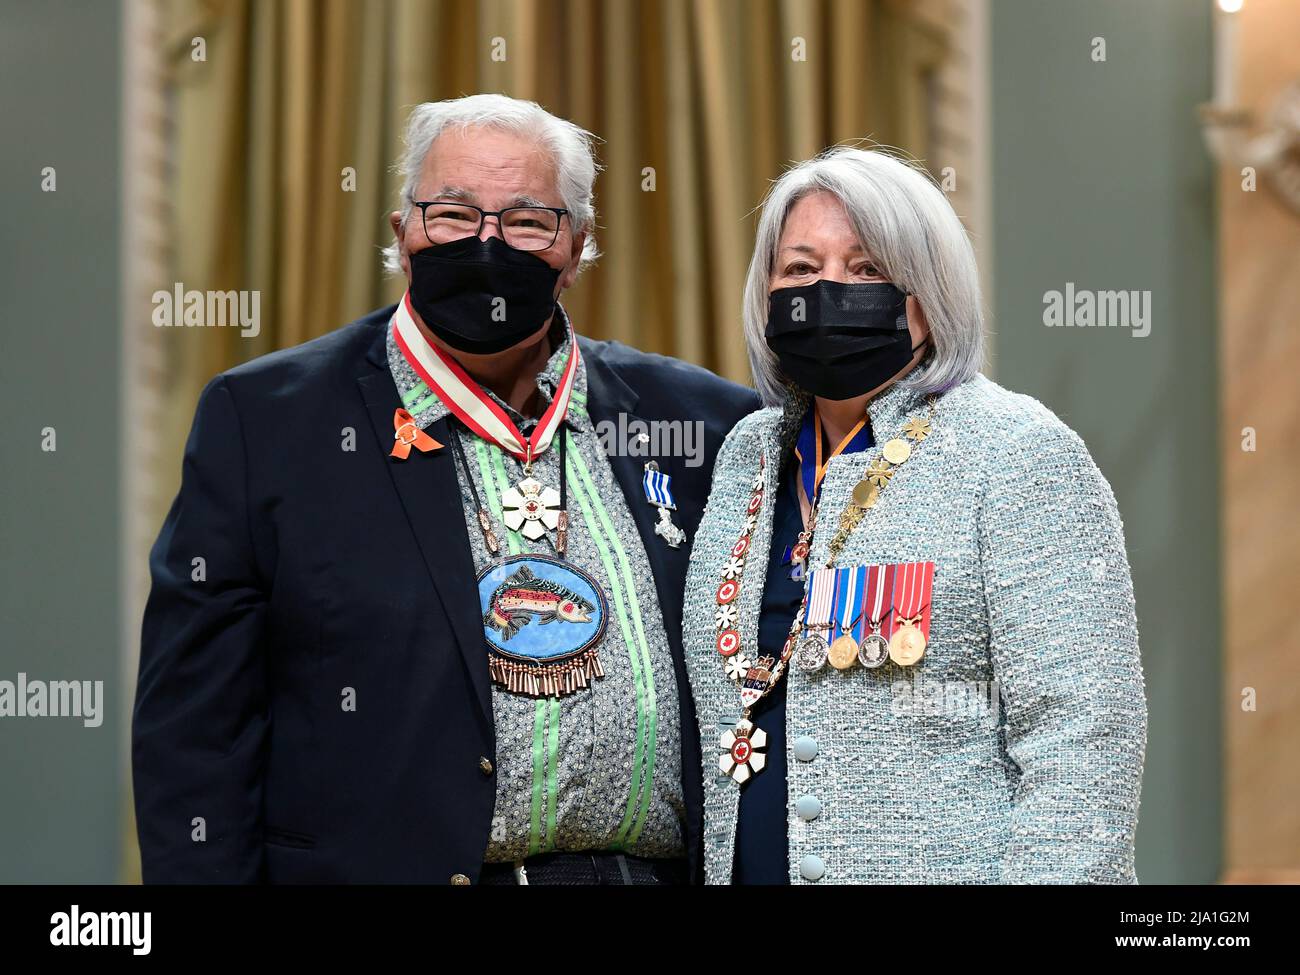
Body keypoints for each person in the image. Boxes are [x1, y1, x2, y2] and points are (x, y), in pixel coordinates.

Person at [132, 93, 758, 885]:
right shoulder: (266, 425)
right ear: (401, 235)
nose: (487, 244)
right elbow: (195, 736)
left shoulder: (705, 423)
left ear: (577, 248)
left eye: (529, 221)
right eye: (453, 215)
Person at [681, 146, 1148, 884]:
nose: (827, 289)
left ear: (929, 294)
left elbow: (1082, 746)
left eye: (866, 269)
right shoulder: (749, 452)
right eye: (800, 270)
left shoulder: (1017, 453)